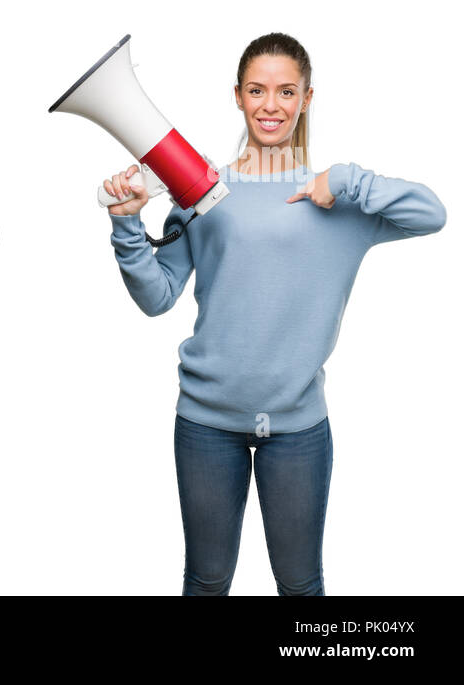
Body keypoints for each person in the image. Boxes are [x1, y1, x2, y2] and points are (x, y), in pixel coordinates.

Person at [102, 33, 446, 595]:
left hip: (298, 428)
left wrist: (346, 179)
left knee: (300, 586)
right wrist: (125, 226)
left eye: (286, 91)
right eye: (257, 90)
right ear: (237, 96)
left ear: (307, 98)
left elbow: (431, 214)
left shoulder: (339, 200)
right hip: (206, 423)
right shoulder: (203, 190)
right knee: (206, 581)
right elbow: (157, 296)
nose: (270, 105)